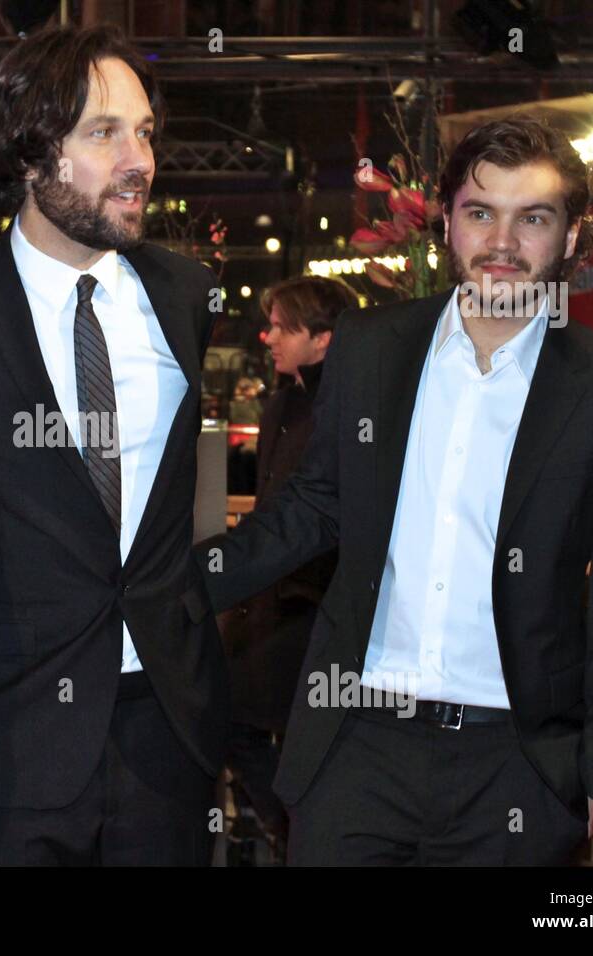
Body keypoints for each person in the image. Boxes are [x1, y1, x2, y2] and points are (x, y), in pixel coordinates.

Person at [191, 117, 593, 865]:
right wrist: (176, 589)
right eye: (481, 213)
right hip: (356, 748)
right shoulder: (371, 345)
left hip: (517, 767)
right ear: (446, 224)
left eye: (534, 218)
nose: (503, 243)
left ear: (573, 238)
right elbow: (312, 509)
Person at [0, 24, 229, 865]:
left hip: (165, 737)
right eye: (104, 133)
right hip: (0, 744)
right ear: (31, 155)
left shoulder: (186, 296)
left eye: (145, 132)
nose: (139, 158)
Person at [219, 276, 355, 861]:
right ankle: (290, 833)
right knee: (224, 713)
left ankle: (300, 836)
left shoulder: (347, 410)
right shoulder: (281, 404)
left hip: (316, 610)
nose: (267, 336)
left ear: (322, 338)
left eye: (282, 326)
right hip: (267, 600)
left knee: (296, 741)